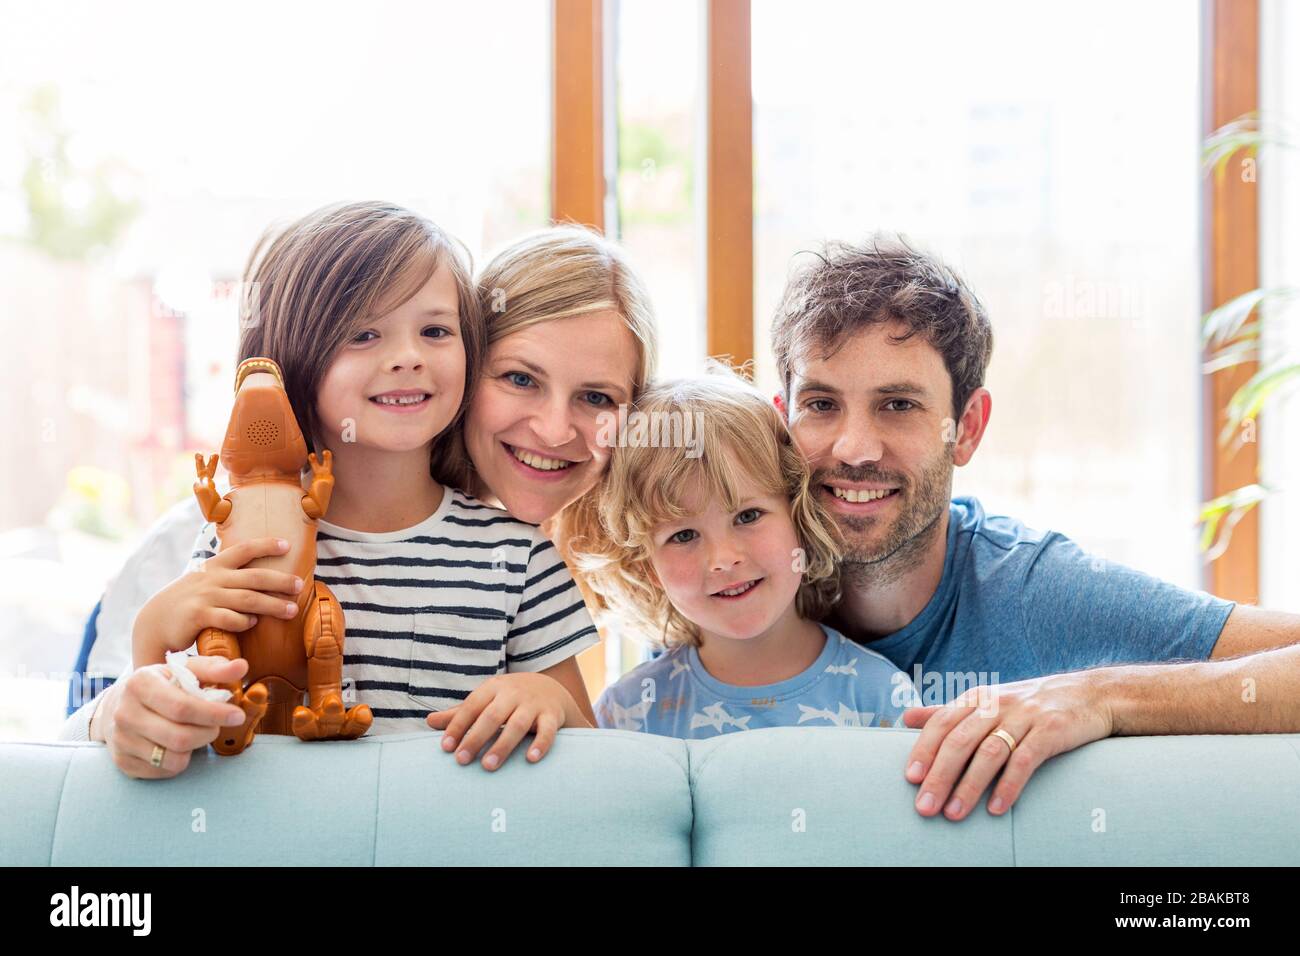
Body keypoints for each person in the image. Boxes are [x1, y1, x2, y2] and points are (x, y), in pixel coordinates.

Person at [65, 202, 610, 778]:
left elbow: (596, 767)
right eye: (363, 333)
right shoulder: (235, 540)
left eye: (435, 331)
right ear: (293, 361)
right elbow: (171, 724)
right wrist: (150, 653)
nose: (407, 357)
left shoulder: (517, 557)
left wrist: (552, 705)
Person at [770, 234, 1300, 821]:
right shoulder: (733, 586)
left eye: (898, 404)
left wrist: (1098, 696)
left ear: (967, 428)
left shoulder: (1038, 592)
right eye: (821, 404)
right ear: (781, 419)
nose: (855, 448)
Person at [559, 368, 919, 739]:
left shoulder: (878, 697)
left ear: (798, 514)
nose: (723, 558)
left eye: (747, 516)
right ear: (648, 565)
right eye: (683, 535)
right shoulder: (627, 713)